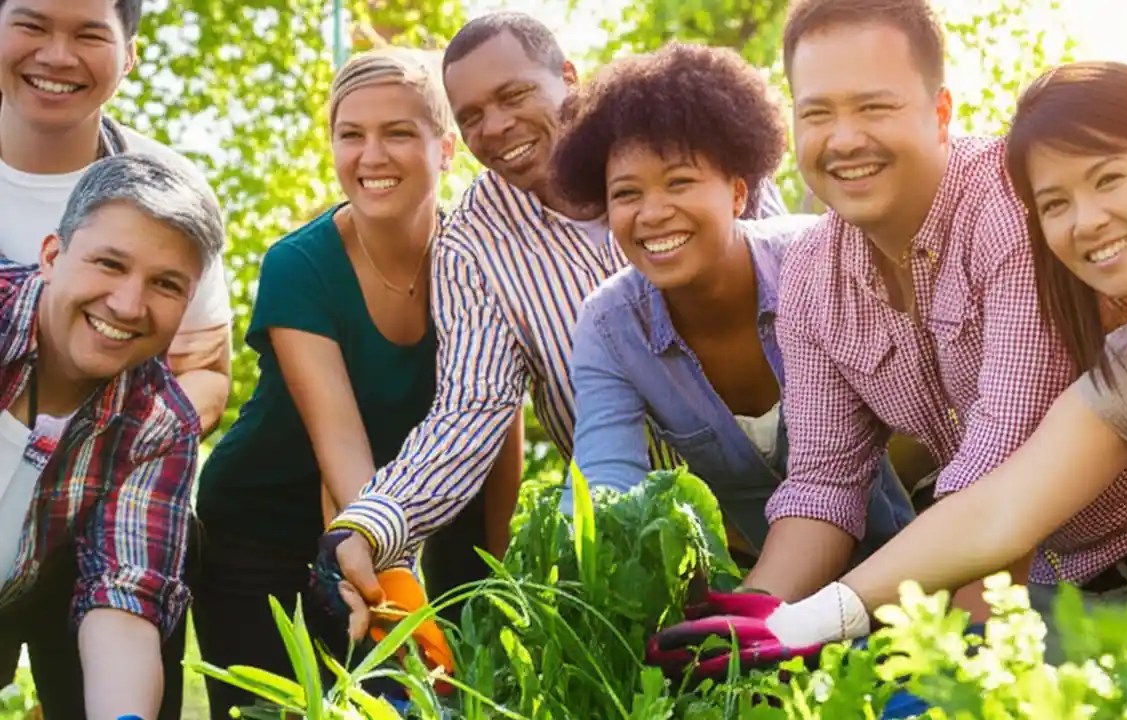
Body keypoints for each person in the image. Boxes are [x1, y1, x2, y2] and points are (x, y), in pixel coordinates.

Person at [642, 0, 1127, 676]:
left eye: (874, 107)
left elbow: (997, 461)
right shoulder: (810, 281)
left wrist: (936, 654)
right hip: (1057, 594)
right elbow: (823, 484)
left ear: (941, 112)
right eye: (818, 114)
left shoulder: (1010, 204)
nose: (843, 140)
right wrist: (756, 616)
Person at [316, 12, 792, 623]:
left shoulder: (687, 138)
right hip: (644, 551)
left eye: (513, 95)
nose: (496, 127)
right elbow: (470, 411)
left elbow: (785, 292)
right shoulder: (474, 245)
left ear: (567, 76)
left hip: (799, 496)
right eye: (471, 117)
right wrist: (372, 524)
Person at [191, 48, 522, 718]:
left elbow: (494, 425)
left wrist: (487, 580)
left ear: (447, 148)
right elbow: (337, 445)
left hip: (381, 523)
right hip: (258, 536)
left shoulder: (480, 261)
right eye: (352, 134)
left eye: (399, 132)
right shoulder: (300, 264)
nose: (372, 155)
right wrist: (391, 583)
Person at [555, 42, 914, 563]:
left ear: (738, 194)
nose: (652, 213)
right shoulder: (612, 327)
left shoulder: (816, 259)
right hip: (772, 589)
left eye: (680, 182)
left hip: (917, 553)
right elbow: (605, 476)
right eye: (627, 195)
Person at [0, 153, 222, 719]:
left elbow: (123, 597)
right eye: (109, 264)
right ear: (53, 255)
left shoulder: (161, 423)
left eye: (166, 284)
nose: (127, 305)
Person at [0, 0, 233, 435]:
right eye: (32, 27)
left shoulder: (172, 189)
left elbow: (205, 372)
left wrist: (103, 455)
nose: (57, 56)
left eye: (89, 35)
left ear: (129, 56)